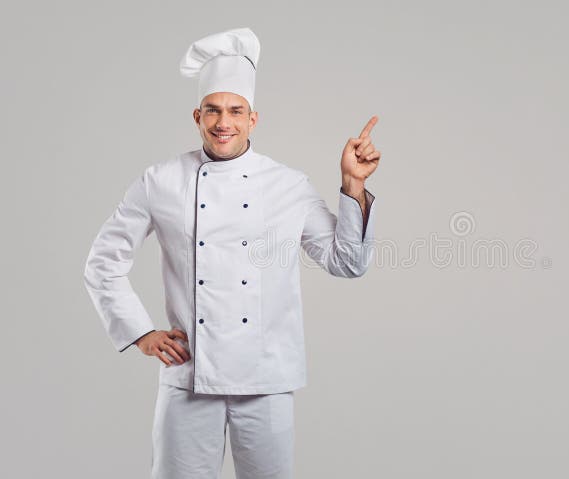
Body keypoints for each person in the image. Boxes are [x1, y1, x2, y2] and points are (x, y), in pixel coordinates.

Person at [83, 27, 380, 479]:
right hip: (189, 379)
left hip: (267, 381)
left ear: (253, 119)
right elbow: (103, 263)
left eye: (236, 111)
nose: (224, 122)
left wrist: (353, 186)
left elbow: (348, 262)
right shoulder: (160, 181)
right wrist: (140, 332)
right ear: (197, 116)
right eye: (214, 110)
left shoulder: (288, 185)